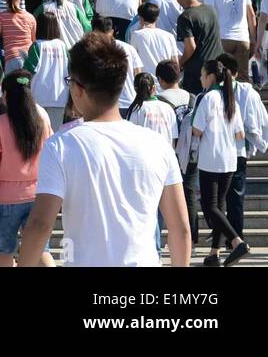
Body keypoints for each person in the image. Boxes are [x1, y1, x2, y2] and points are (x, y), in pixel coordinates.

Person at [18, 33, 190, 267]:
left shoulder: (60, 145)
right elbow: (180, 229)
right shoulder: (158, 144)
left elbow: (40, 225)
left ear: (77, 89)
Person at [0, 69, 53, 267]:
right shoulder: (42, 119)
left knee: (4, 250)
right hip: (37, 194)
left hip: (5, 197)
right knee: (41, 250)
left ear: (6, 95)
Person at [192, 58, 251, 266]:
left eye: (202, 74)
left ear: (210, 77)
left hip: (210, 160)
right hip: (230, 159)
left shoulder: (208, 98)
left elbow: (197, 130)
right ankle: (214, 253)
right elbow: (240, 134)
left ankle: (237, 242)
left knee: (211, 207)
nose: (200, 78)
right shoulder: (229, 98)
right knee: (218, 207)